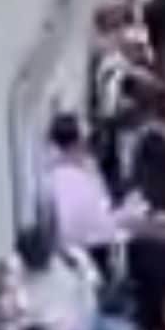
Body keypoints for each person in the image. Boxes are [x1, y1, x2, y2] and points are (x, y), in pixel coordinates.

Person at [42, 113, 121, 276]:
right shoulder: (57, 178)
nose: (86, 145)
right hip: (79, 250)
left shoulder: (88, 166)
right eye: (83, 140)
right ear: (74, 143)